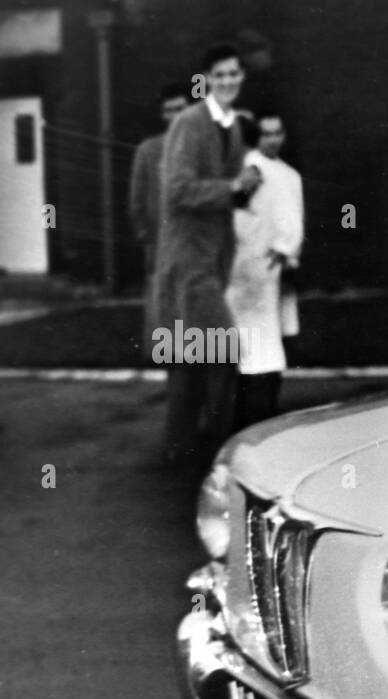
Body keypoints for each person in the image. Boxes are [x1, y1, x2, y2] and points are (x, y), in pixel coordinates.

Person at [154, 42, 262, 467]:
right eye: (220, 75)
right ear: (205, 81)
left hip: (212, 261)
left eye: (234, 73)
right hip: (188, 262)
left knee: (191, 357)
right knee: (223, 351)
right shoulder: (188, 123)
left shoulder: (233, 127)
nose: (229, 81)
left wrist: (243, 188)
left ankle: (179, 450)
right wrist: (233, 187)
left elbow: (223, 196)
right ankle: (219, 453)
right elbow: (178, 190)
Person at [225, 111, 304, 428]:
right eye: (266, 133)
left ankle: (266, 415)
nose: (272, 139)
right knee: (252, 346)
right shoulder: (251, 167)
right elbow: (236, 210)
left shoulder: (290, 175)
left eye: (278, 132)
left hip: (278, 269)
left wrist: (289, 255)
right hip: (249, 269)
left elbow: (295, 219)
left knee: (273, 344)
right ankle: (246, 421)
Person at [129, 83, 189, 361]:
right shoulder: (148, 151)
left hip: (196, 246)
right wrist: (148, 238)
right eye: (169, 110)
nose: (175, 115)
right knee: (166, 314)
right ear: (163, 115)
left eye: (180, 108)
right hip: (162, 245)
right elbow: (137, 203)